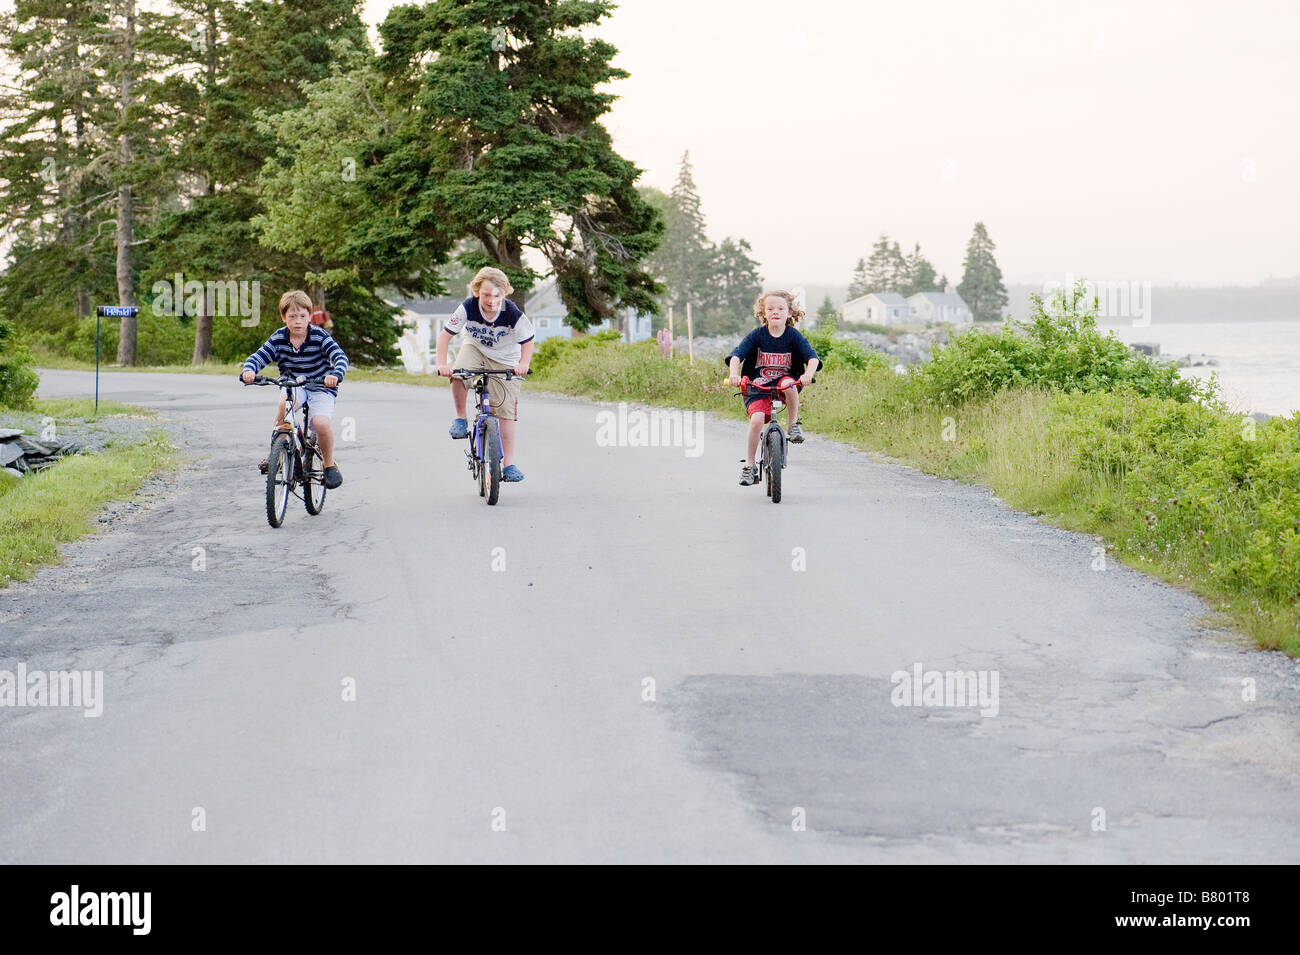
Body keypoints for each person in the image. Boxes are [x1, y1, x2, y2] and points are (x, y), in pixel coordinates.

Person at [240, 290, 349, 489]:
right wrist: (249, 369)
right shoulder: (279, 338)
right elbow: (259, 356)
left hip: (320, 386)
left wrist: (335, 374)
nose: (297, 321)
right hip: (293, 385)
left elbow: (340, 357)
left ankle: (328, 464)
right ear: (284, 318)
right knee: (283, 407)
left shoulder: (319, 336)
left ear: (309, 316)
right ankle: (277, 453)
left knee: (320, 423)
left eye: (302, 316)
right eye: (292, 316)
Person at [435, 267, 535, 482]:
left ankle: (508, 464)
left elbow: (527, 341)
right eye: (486, 295)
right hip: (476, 349)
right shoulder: (468, 307)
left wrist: (523, 363)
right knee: (459, 372)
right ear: (477, 291)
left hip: (506, 358)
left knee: (506, 411)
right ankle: (461, 418)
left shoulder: (512, 312)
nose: (491, 300)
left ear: (504, 294)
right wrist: (443, 364)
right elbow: (445, 337)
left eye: (496, 296)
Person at [725, 290, 820, 486]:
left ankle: (793, 425)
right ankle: (750, 467)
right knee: (757, 421)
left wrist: (808, 374)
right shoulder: (757, 335)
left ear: (790, 313)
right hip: (757, 384)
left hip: (785, 383)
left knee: (788, 384)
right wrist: (734, 374)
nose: (775, 311)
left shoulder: (793, 336)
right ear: (763, 313)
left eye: (780, 308)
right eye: (770, 308)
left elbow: (812, 358)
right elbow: (736, 356)